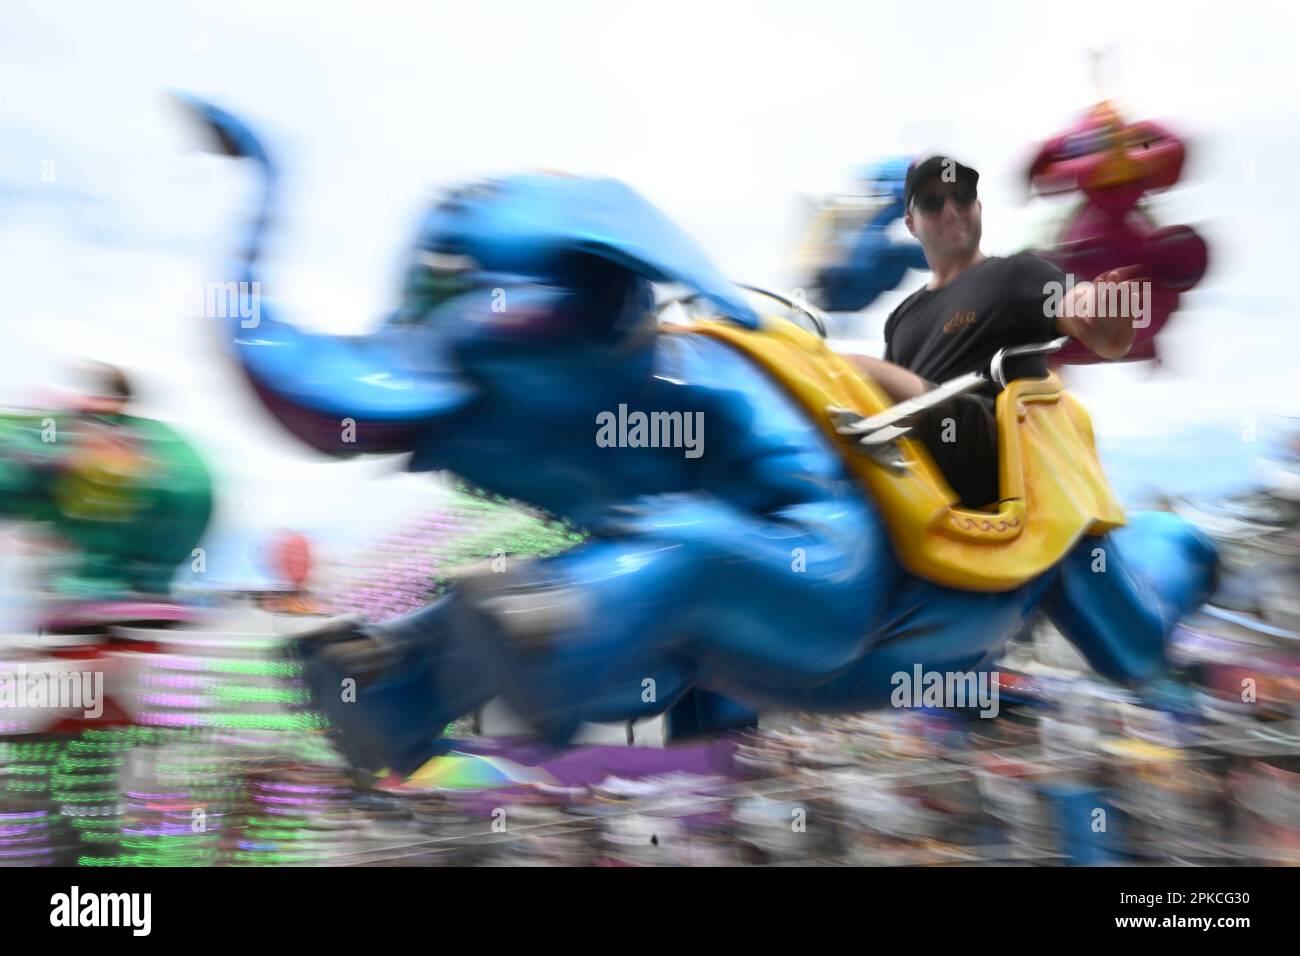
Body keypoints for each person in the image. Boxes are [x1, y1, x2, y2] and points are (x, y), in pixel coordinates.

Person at [842, 154, 1144, 508]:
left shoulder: (1018, 274)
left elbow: (1080, 307)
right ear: (911, 223)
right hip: (913, 446)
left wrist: (1103, 313)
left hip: (991, 449)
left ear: (979, 207)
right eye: (933, 202)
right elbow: (877, 399)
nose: (952, 210)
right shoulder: (901, 317)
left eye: (963, 196)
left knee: (850, 367)